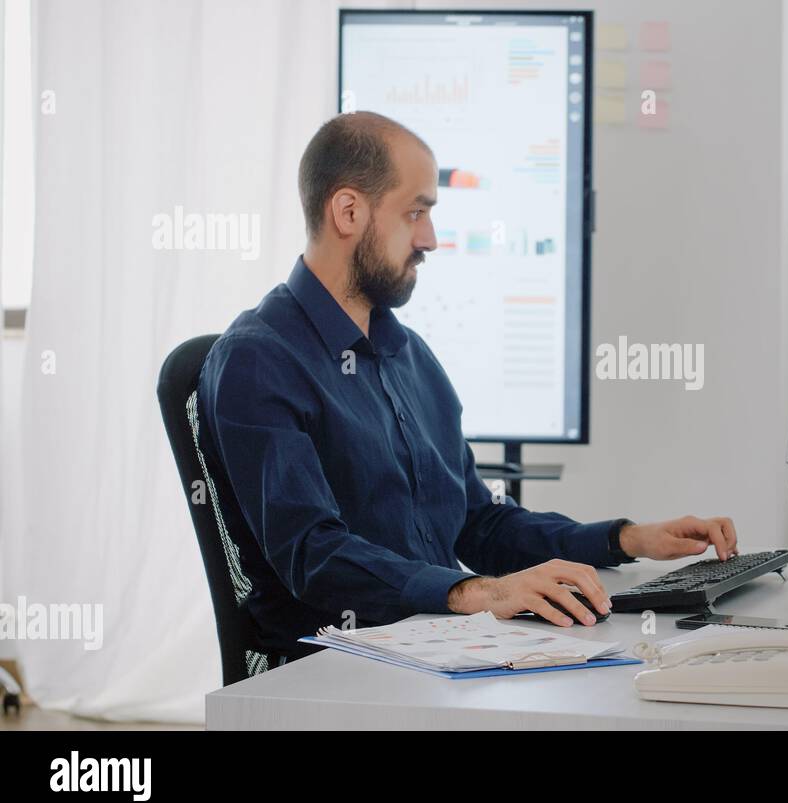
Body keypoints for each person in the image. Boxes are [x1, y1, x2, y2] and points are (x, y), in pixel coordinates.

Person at [198, 112, 738, 663]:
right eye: (415, 212)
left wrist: (627, 540)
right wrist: (477, 591)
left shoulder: (408, 355)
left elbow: (477, 523)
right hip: (336, 668)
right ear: (349, 211)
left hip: (438, 651)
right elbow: (313, 554)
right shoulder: (258, 360)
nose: (429, 238)